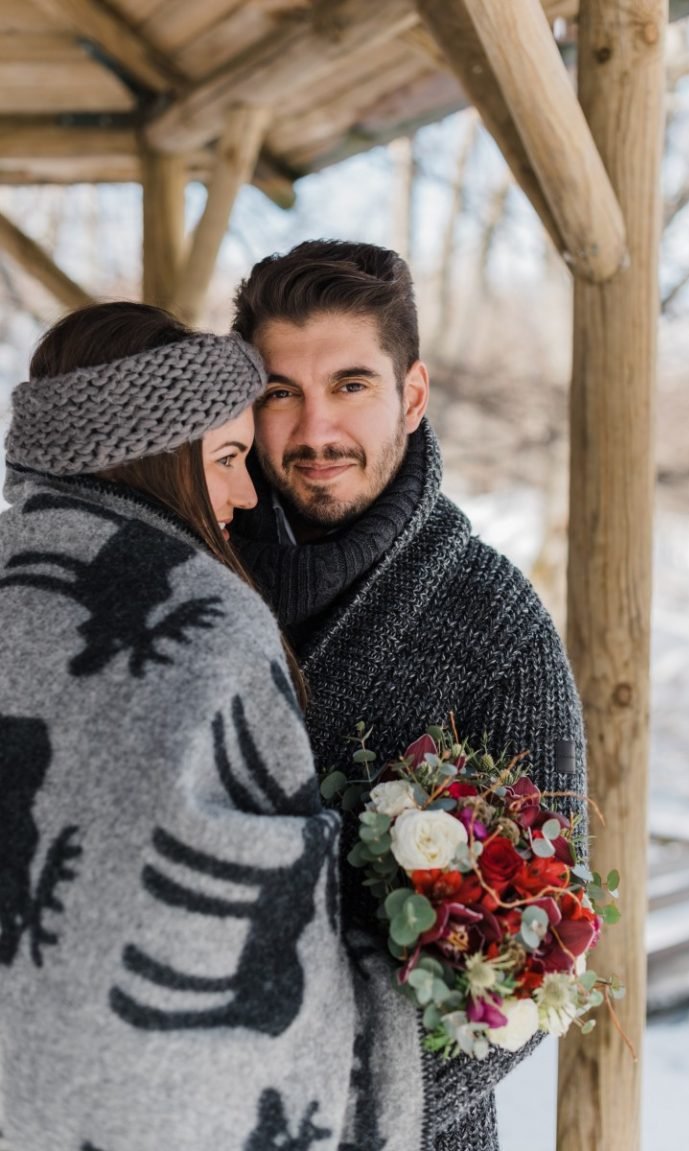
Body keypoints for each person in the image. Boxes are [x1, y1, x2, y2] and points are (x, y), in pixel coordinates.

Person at [0, 302, 427, 1151]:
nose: (242, 493)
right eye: (227, 458)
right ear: (155, 459)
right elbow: (266, 939)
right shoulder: (207, 611)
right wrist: (388, 983)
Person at [231, 240, 589, 1151]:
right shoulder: (198, 588)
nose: (315, 430)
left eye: (351, 384)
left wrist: (322, 1127)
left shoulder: (497, 629)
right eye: (282, 391)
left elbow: (531, 967)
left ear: (413, 394)